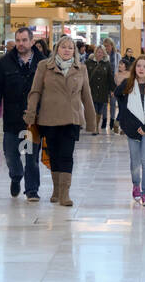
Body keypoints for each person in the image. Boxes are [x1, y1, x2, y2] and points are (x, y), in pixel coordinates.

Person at [25, 35, 98, 207]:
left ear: (74, 51)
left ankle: (65, 193)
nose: (67, 50)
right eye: (63, 47)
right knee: (54, 155)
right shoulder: (44, 66)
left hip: (71, 119)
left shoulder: (81, 69)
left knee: (67, 155)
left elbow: (86, 96)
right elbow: (35, 91)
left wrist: (91, 121)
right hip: (48, 118)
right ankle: (56, 190)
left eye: (70, 48)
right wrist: (30, 113)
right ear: (57, 48)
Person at [0, 27, 44, 200]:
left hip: (33, 119)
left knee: (31, 156)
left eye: (24, 40)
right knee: (11, 154)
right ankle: (16, 176)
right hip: (12, 118)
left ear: (32, 42)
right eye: (18, 40)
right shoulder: (5, 63)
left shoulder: (42, 63)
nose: (20, 44)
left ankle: (32, 190)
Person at [115, 55, 145, 207]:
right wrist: (125, 119)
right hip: (132, 130)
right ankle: (136, 185)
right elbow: (118, 96)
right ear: (134, 68)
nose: (141, 69)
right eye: (138, 66)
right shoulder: (127, 84)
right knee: (135, 161)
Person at [85, 45, 113, 134]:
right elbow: (84, 76)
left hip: (103, 90)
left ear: (104, 53)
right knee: (93, 109)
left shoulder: (107, 64)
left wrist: (113, 89)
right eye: (98, 52)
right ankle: (94, 128)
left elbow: (110, 77)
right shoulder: (88, 62)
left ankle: (96, 126)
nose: (99, 54)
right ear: (95, 52)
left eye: (101, 52)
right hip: (91, 90)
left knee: (100, 109)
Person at [101, 37, 121, 132]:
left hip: (114, 83)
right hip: (104, 83)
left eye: (107, 46)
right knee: (104, 103)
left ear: (112, 46)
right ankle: (104, 120)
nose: (106, 48)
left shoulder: (117, 56)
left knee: (113, 103)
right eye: (104, 46)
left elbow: (119, 70)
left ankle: (112, 121)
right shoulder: (102, 56)